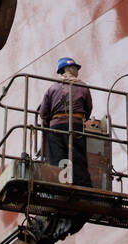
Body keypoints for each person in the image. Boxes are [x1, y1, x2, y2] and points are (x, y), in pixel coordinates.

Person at [37, 57, 93, 187]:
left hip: (55, 127)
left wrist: (48, 124)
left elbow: (43, 112)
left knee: (58, 159)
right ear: (67, 69)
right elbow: (88, 108)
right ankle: (82, 187)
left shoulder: (52, 88)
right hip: (75, 125)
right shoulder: (82, 87)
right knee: (77, 158)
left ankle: (60, 185)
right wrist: (80, 119)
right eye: (75, 68)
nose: (77, 71)